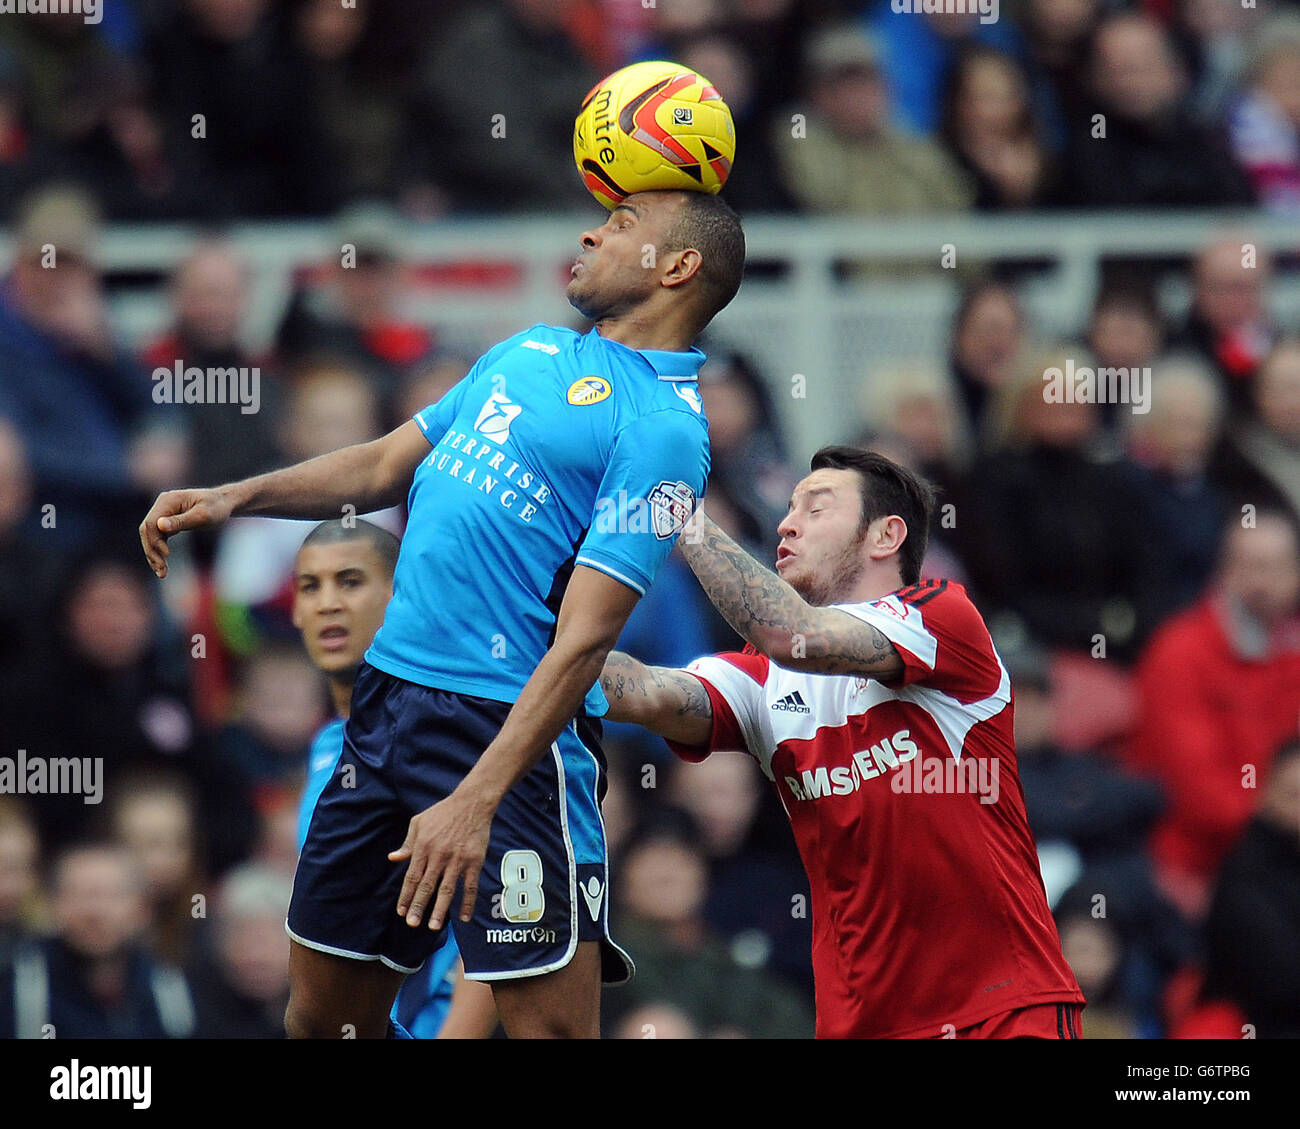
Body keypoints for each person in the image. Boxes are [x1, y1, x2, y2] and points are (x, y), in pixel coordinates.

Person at [140, 189, 745, 1039]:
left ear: (677, 267)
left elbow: (584, 642)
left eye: (621, 226)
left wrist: (476, 797)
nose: (590, 231)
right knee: (319, 1019)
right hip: (387, 707)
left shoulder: (667, 433)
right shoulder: (526, 350)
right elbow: (384, 462)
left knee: (551, 1031)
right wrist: (236, 495)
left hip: (507, 737)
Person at [599, 446, 1085, 1038]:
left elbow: (792, 632)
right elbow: (645, 692)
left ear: (886, 535)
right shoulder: (762, 680)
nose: (786, 522)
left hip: (1001, 1011)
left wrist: (681, 514)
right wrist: (530, 646)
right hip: (860, 1028)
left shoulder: (942, 619)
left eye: (816, 507)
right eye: (788, 507)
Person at [291, 517, 496, 1038]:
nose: (327, 603)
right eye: (310, 586)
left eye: (351, 581)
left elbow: (497, 907)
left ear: (402, 595)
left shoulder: (439, 732)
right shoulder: (326, 748)